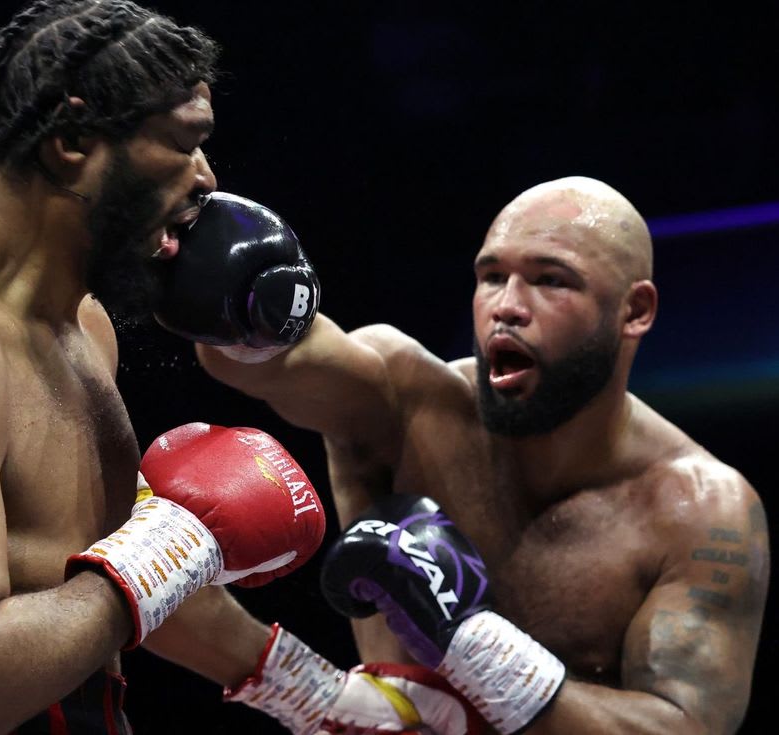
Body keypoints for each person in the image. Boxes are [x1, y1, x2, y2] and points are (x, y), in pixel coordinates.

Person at [0, 2, 481, 733]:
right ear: (70, 142)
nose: (206, 179)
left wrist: (319, 696)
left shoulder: (81, 323)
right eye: (183, 145)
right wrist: (171, 549)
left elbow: (95, 577)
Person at [192, 176, 771, 734]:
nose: (507, 306)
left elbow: (683, 728)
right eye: (491, 276)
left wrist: (473, 642)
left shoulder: (700, 511)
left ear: (634, 311)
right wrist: (225, 286)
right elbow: (260, 360)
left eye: (551, 280)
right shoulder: (401, 405)